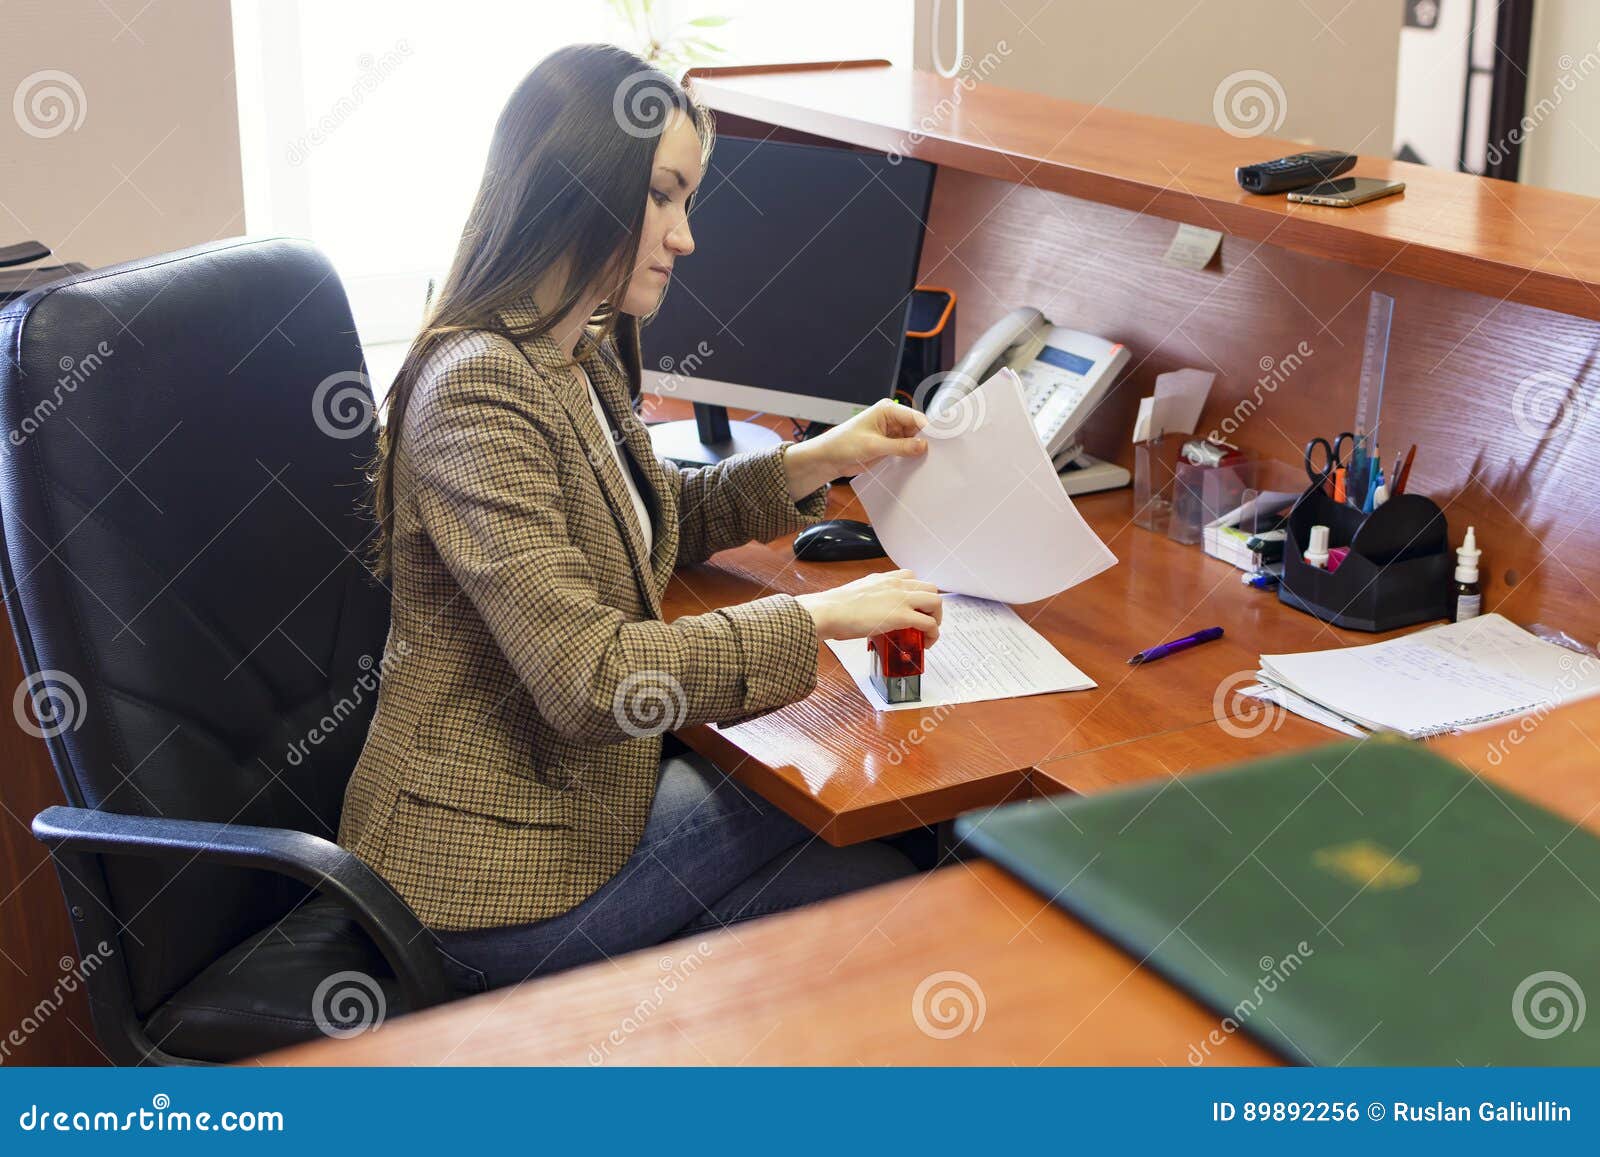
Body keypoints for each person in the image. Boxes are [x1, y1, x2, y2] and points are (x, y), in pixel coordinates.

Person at [339, 44, 944, 993]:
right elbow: (589, 680)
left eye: (686, 200)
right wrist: (818, 619)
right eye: (663, 195)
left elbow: (648, 515)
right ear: (581, 184)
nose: (685, 235)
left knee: (872, 882)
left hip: (580, 807)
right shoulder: (477, 391)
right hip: (481, 888)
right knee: (866, 822)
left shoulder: (571, 342)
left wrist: (819, 458)